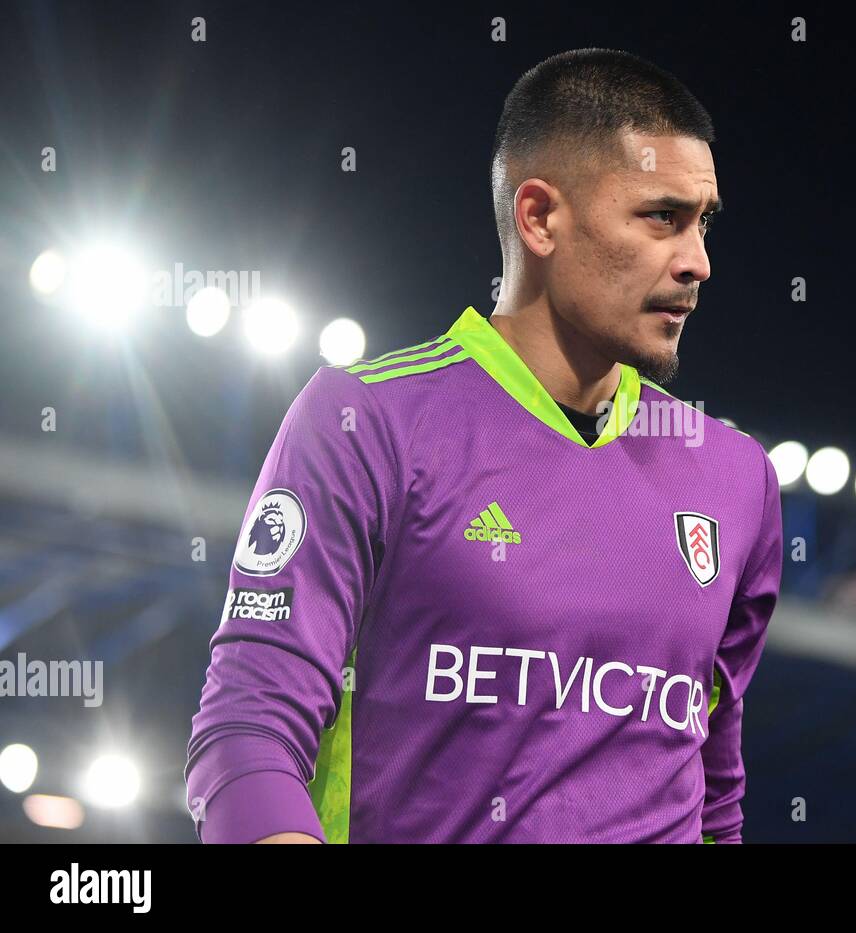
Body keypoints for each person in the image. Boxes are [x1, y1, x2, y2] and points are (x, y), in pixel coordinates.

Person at [185, 47, 782, 843]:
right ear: (539, 217)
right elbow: (246, 733)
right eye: (660, 217)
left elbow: (715, 800)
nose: (697, 262)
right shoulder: (368, 421)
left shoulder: (735, 478)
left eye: (703, 222)